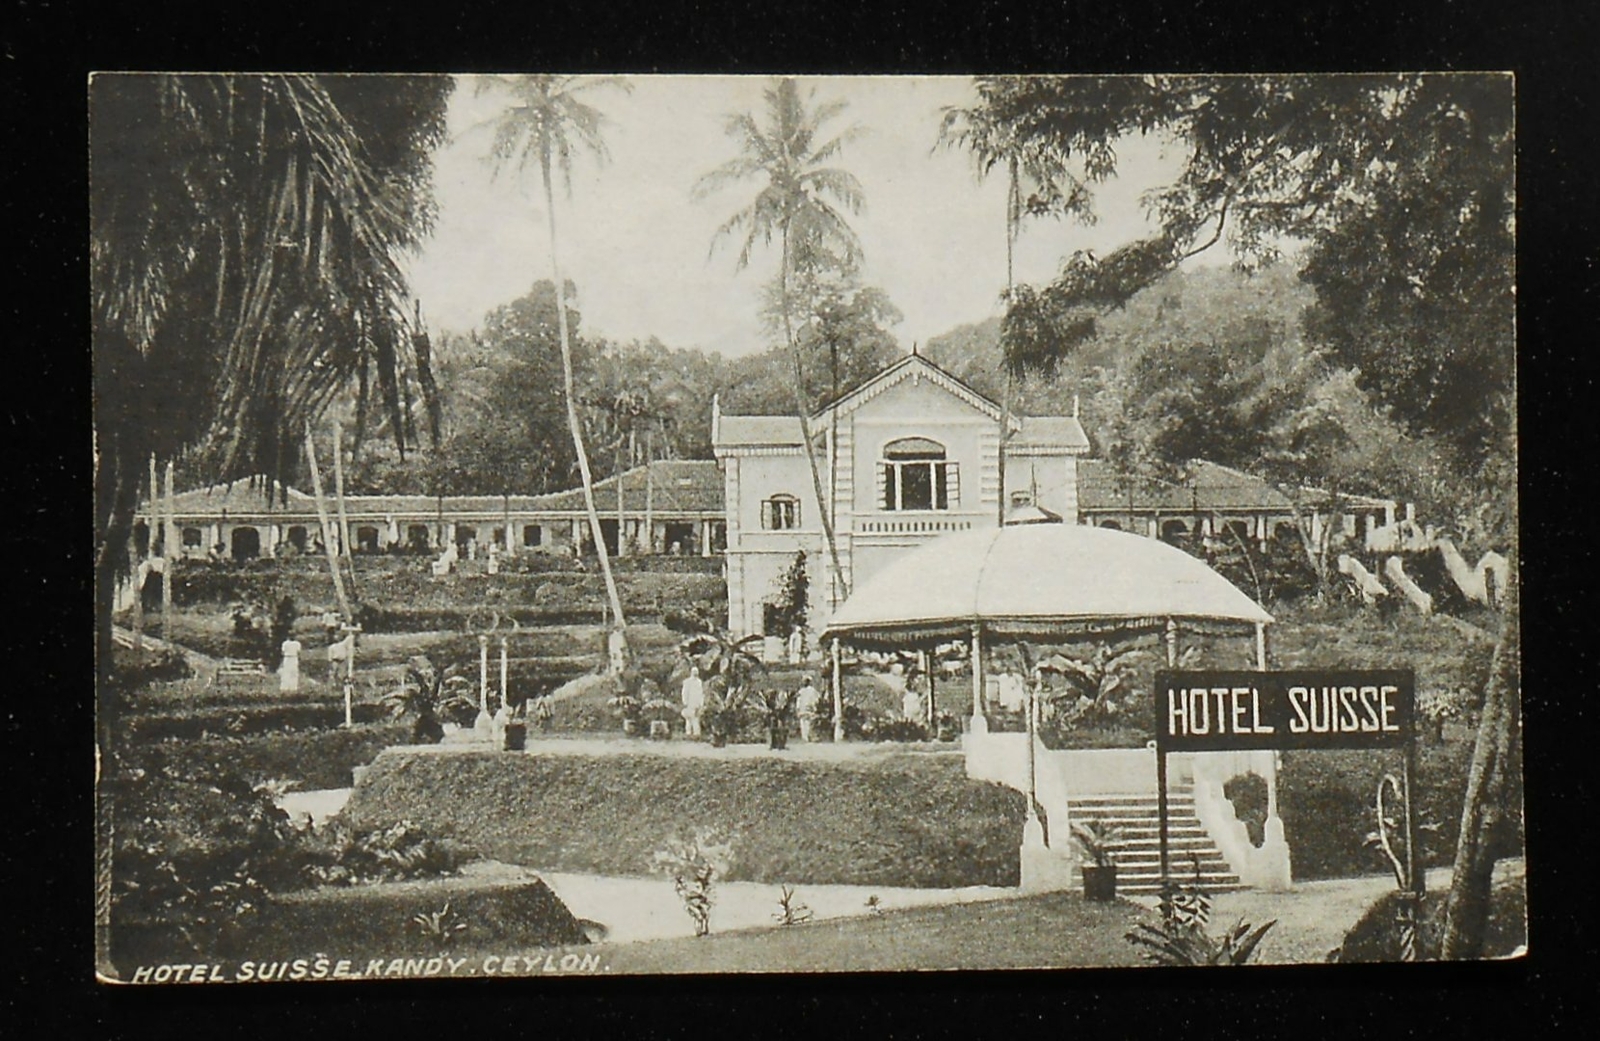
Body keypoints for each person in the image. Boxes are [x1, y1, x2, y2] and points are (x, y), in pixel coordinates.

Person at [680, 665, 705, 739]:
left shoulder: (699, 682)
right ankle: (688, 733)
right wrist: (685, 702)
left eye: (696, 672)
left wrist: (701, 703)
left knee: (696, 719)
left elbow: (701, 693)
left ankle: (696, 734)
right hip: (689, 702)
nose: (695, 673)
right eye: (694, 672)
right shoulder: (687, 682)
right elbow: (684, 692)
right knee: (688, 719)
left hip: (697, 703)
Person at [795, 674, 822, 742]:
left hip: (809, 709)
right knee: (803, 724)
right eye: (803, 681)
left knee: (808, 725)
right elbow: (798, 700)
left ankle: (808, 737)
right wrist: (798, 708)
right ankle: (805, 738)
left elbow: (816, 699)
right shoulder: (801, 691)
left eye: (806, 681)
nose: (804, 682)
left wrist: (814, 707)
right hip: (802, 710)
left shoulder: (812, 690)